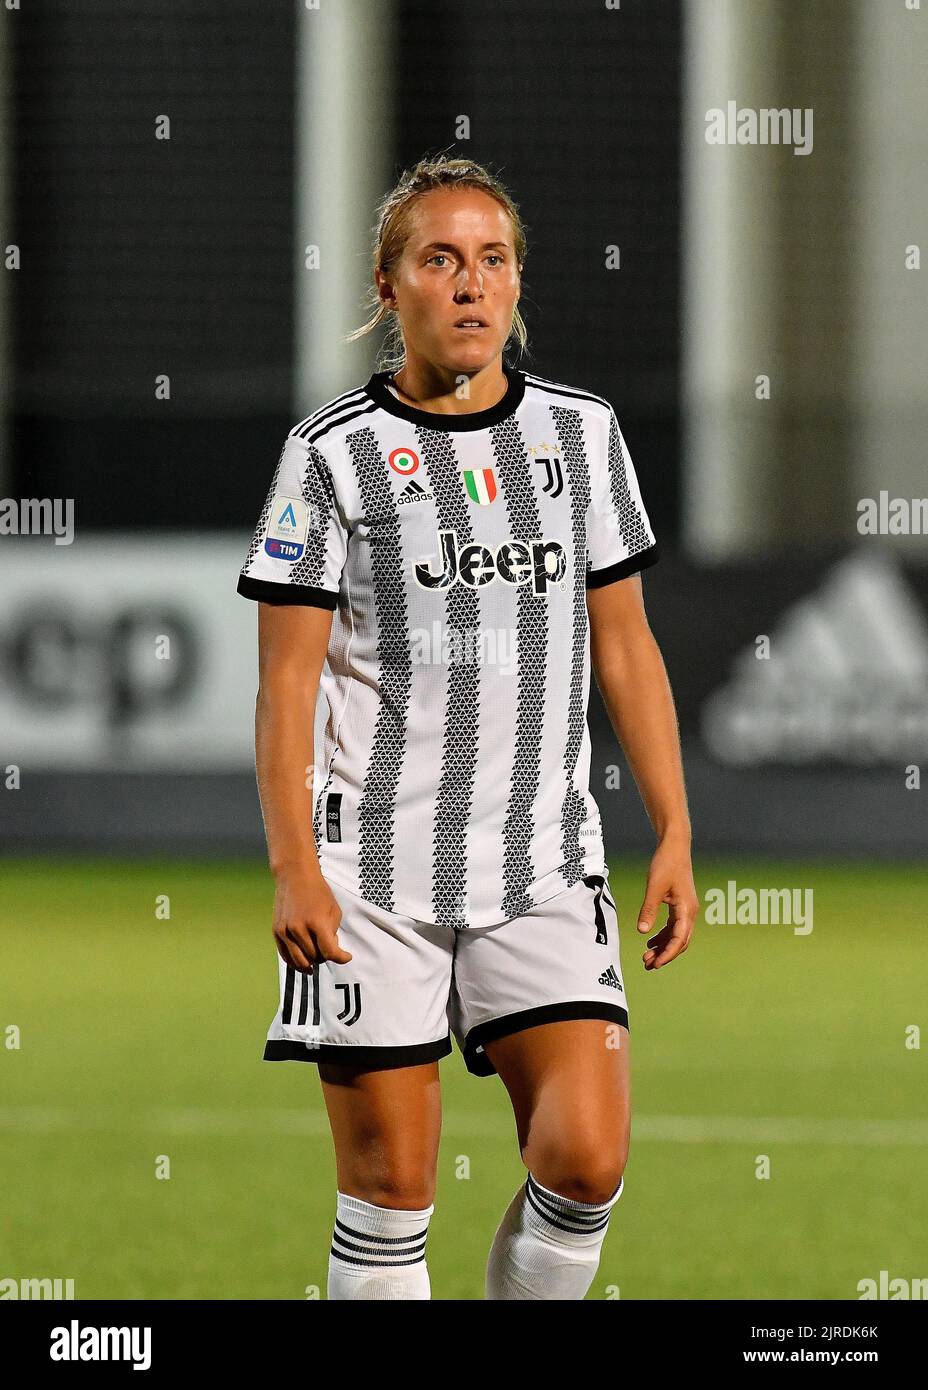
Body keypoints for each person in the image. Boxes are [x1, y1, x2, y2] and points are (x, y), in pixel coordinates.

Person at [237, 155, 698, 1300]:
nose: (470, 284)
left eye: (492, 260)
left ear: (516, 283)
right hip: (368, 869)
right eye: (438, 259)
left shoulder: (581, 436)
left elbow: (628, 646)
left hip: (542, 856)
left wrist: (675, 829)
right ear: (389, 288)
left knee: (585, 1158)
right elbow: (286, 683)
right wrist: (294, 863)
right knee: (391, 1189)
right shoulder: (329, 452)